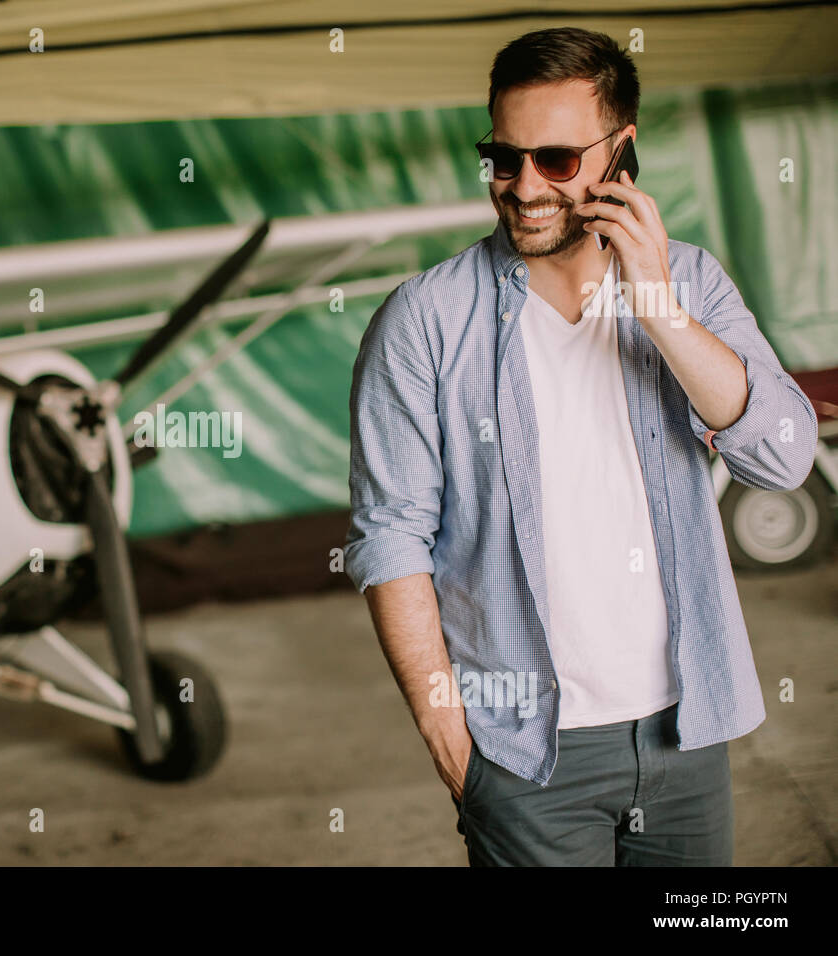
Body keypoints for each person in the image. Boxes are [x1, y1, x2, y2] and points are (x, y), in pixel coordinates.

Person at [345, 26, 817, 866]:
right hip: (524, 752)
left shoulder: (692, 282)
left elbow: (780, 456)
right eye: (503, 157)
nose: (524, 187)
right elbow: (390, 535)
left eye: (557, 160)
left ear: (621, 152)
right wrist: (443, 726)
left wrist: (661, 311)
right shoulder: (422, 321)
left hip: (686, 730)